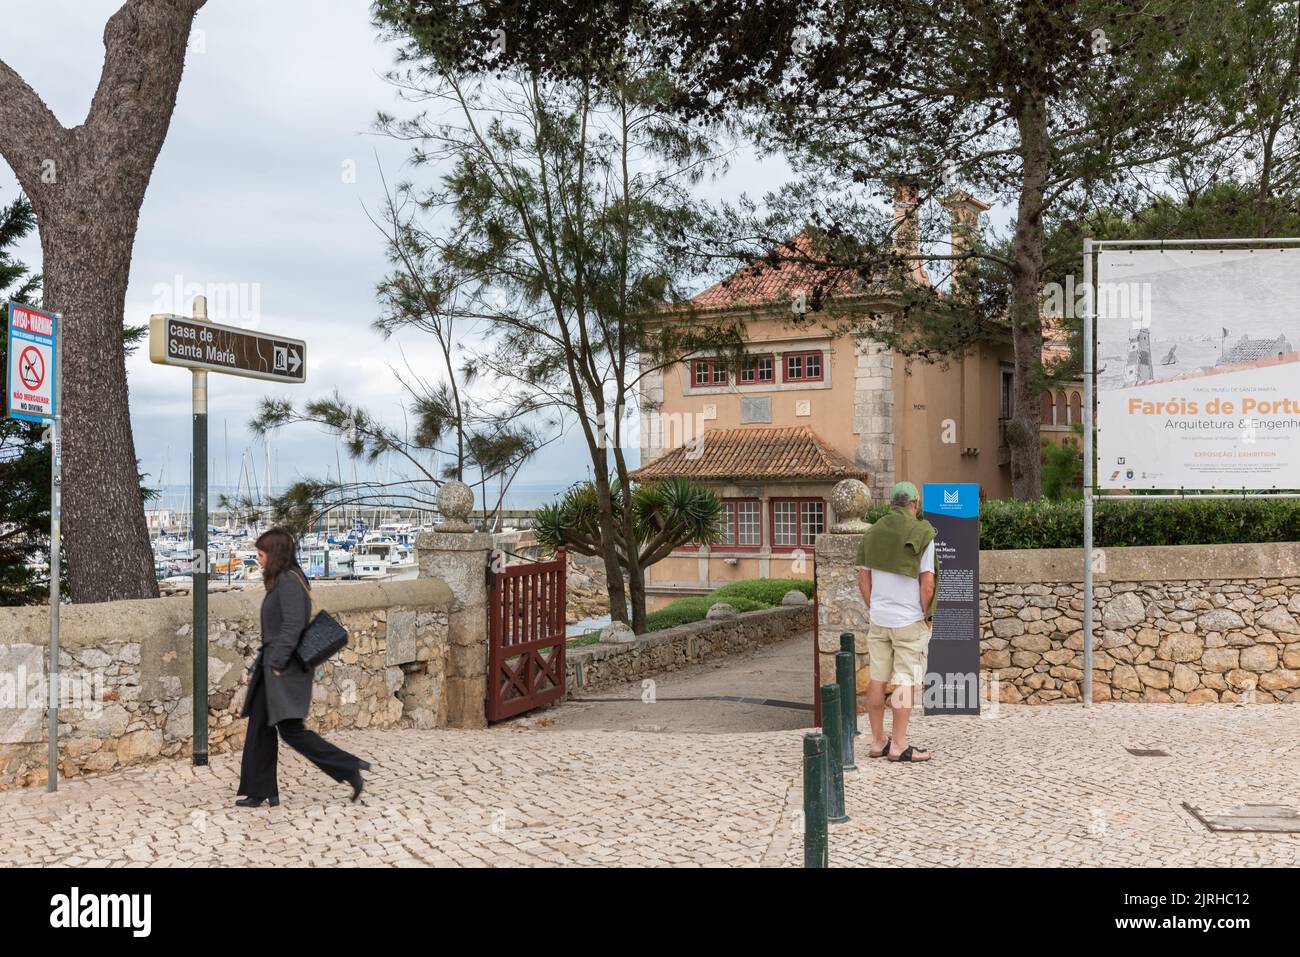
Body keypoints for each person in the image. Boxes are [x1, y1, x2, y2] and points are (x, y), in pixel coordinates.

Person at [236, 527, 370, 806]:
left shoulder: (288, 582)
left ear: (274, 555)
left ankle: (349, 767)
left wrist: (276, 661)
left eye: (261, 555)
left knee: (292, 731)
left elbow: (293, 625)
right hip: (271, 666)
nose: (258, 560)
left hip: (283, 668)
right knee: (260, 727)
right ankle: (261, 790)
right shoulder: (283, 580)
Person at [855, 481, 937, 763]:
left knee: (876, 679)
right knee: (905, 681)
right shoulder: (922, 531)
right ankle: (899, 745)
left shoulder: (872, 532)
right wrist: (926, 615)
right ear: (915, 504)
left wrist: (873, 606)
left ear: (892, 504)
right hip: (908, 620)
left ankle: (878, 741)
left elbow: (863, 578)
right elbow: (927, 584)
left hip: (880, 619)